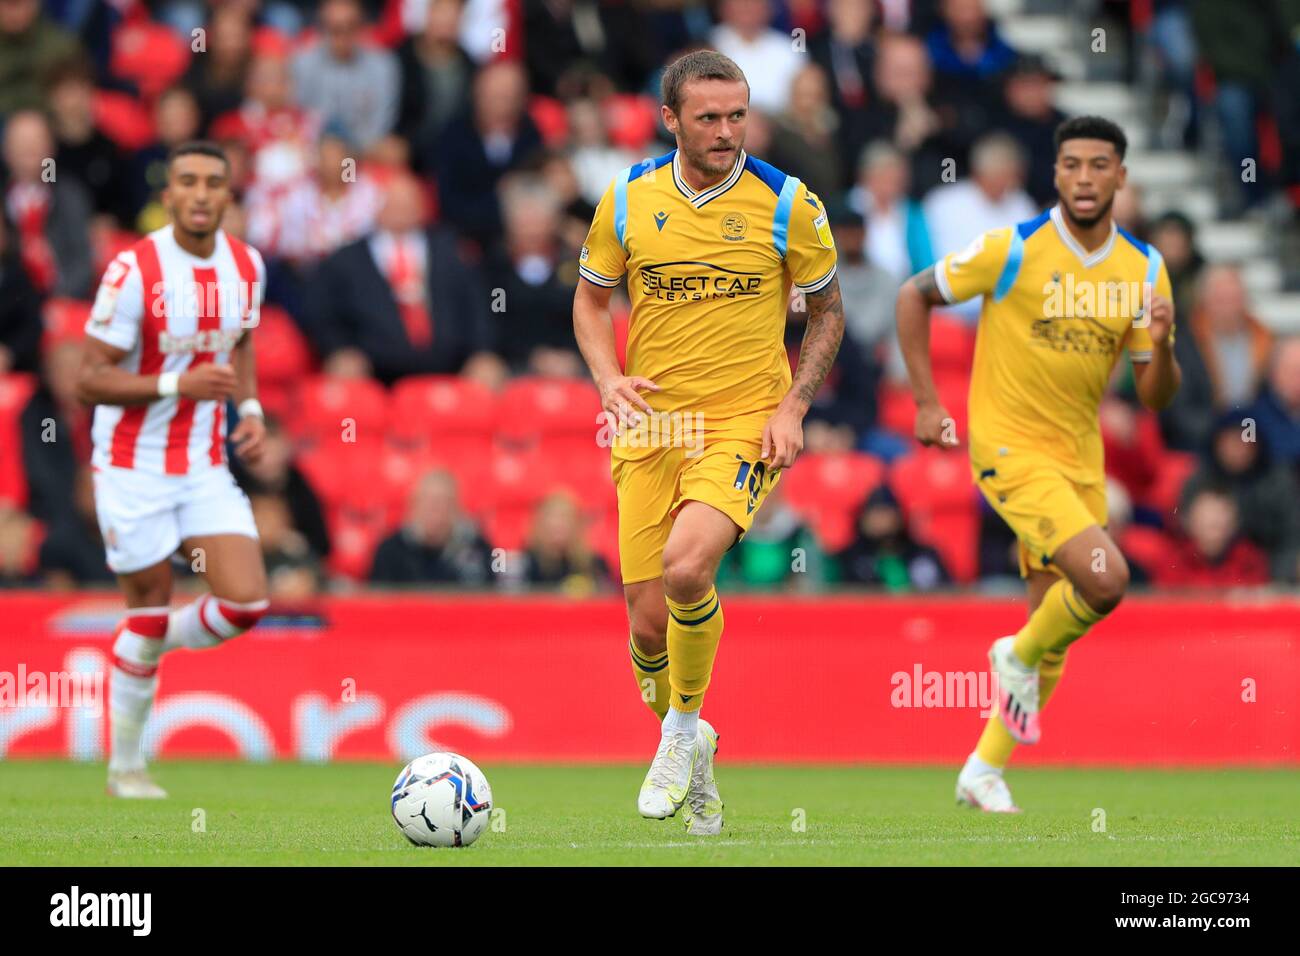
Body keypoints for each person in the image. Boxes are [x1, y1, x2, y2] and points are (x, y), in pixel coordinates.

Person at [573, 50, 842, 834]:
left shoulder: (790, 203)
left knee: (690, 567)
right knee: (646, 620)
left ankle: (681, 734)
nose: (727, 132)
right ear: (670, 121)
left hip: (739, 422)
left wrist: (792, 406)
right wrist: (606, 379)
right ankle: (694, 739)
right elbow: (590, 305)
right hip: (652, 423)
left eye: (737, 116)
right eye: (708, 118)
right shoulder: (627, 199)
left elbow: (828, 313)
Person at [895, 116, 1182, 811]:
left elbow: (1155, 395)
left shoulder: (1142, 268)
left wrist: (1166, 346)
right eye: (1072, 164)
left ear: (1121, 176)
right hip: (1009, 449)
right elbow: (914, 295)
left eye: (1099, 165)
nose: (1084, 178)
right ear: (1054, 174)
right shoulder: (1013, 249)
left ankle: (983, 769)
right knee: (1106, 580)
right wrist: (928, 404)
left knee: (1057, 620)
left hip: (1079, 458)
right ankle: (1015, 653)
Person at [77, 141, 271, 799]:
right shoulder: (134, 271)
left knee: (246, 601)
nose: (200, 193)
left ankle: (145, 641)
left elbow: (240, 341)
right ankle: (126, 768)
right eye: (187, 180)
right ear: (169, 194)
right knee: (151, 606)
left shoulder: (248, 266)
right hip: (131, 467)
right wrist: (175, 384)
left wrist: (247, 407)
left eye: (213, 182)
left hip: (202, 462)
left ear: (227, 195)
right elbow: (88, 378)